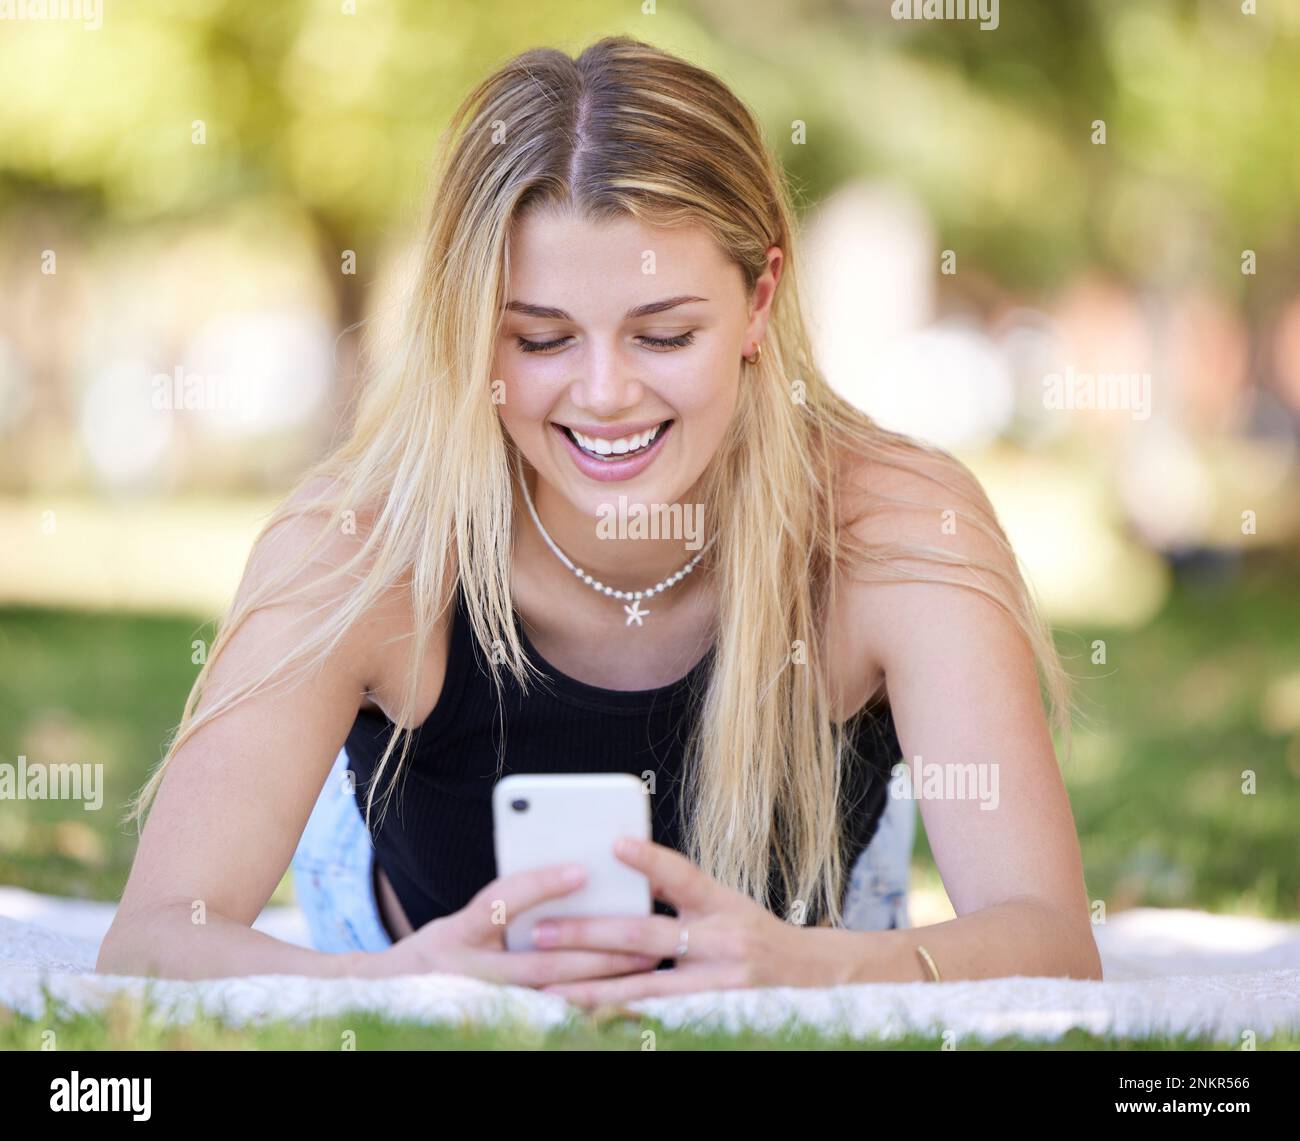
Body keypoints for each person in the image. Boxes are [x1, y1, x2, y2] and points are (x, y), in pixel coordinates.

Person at [96, 34, 1101, 1006]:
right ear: (470, 329)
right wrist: (403, 984)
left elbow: (1048, 938)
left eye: (663, 333)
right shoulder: (356, 549)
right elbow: (152, 940)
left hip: (816, 930)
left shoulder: (897, 528)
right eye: (539, 339)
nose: (606, 391)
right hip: (397, 932)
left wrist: (821, 968)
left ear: (759, 301)